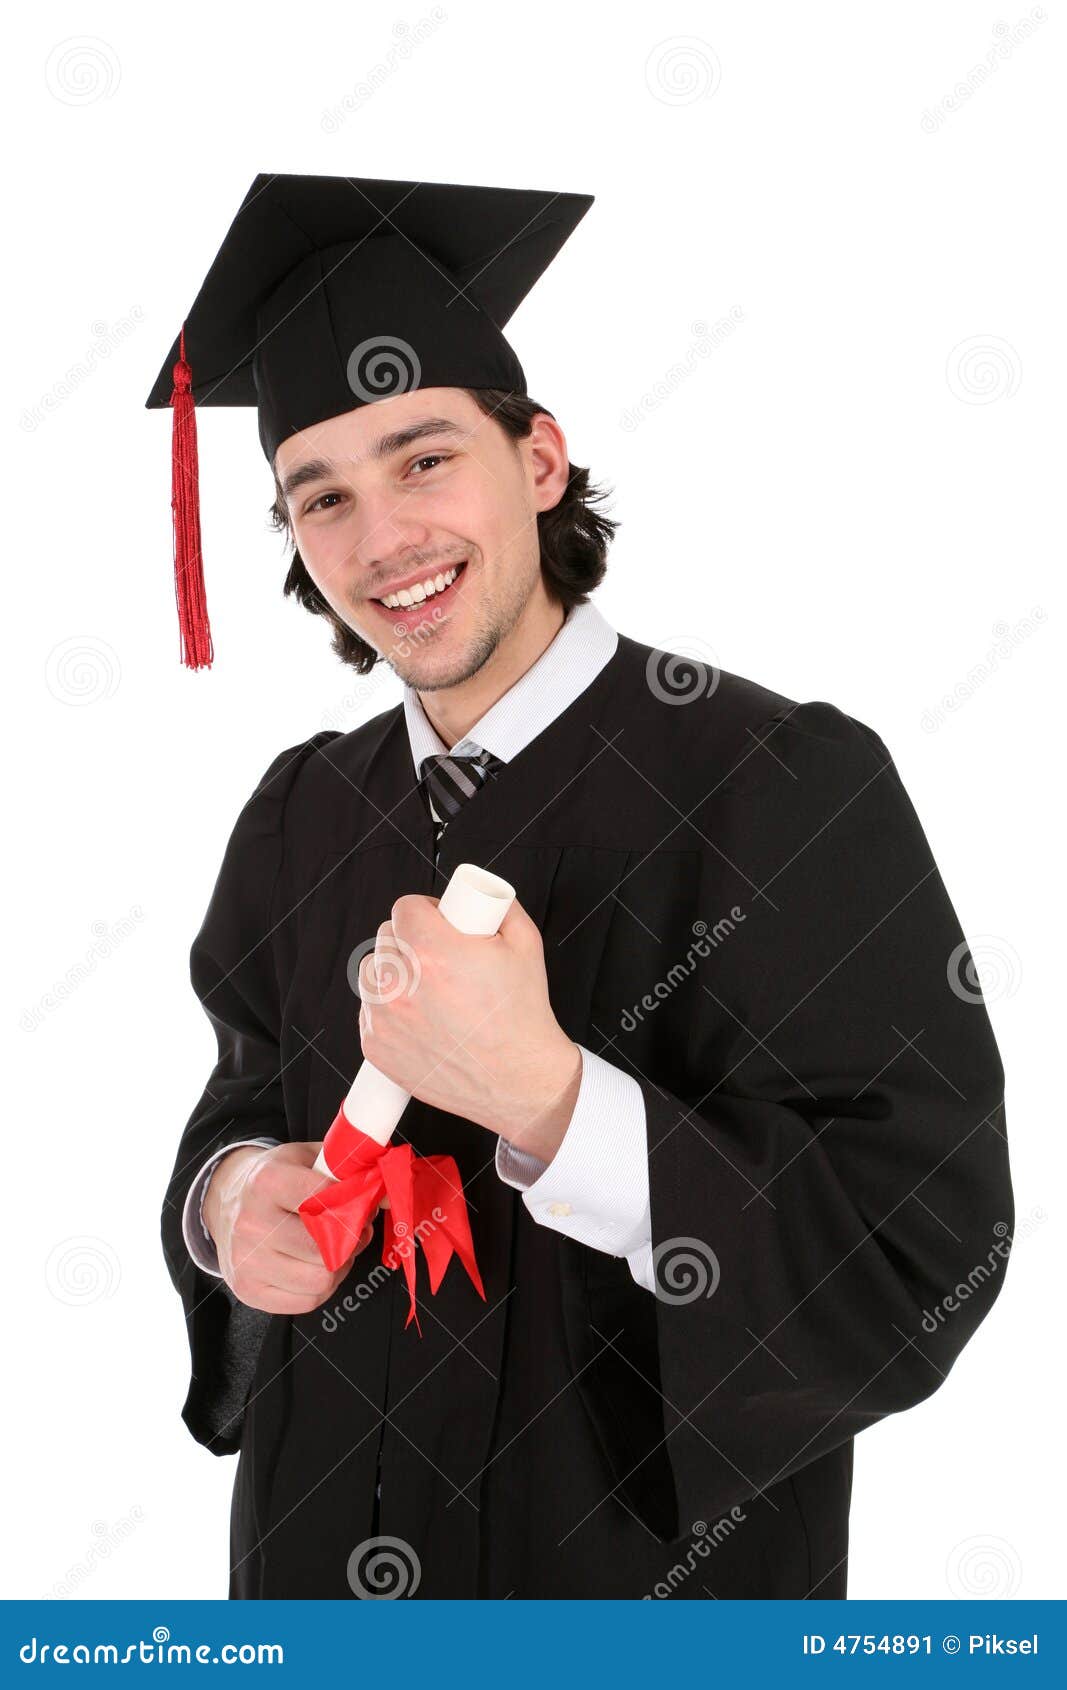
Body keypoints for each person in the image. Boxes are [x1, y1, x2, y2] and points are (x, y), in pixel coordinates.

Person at [155, 174, 1012, 1600]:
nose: (383, 542)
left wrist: (556, 1103)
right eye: (325, 497)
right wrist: (230, 1196)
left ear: (540, 459)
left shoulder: (781, 781)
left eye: (423, 460)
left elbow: (921, 1238)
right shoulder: (303, 809)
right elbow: (246, 1096)